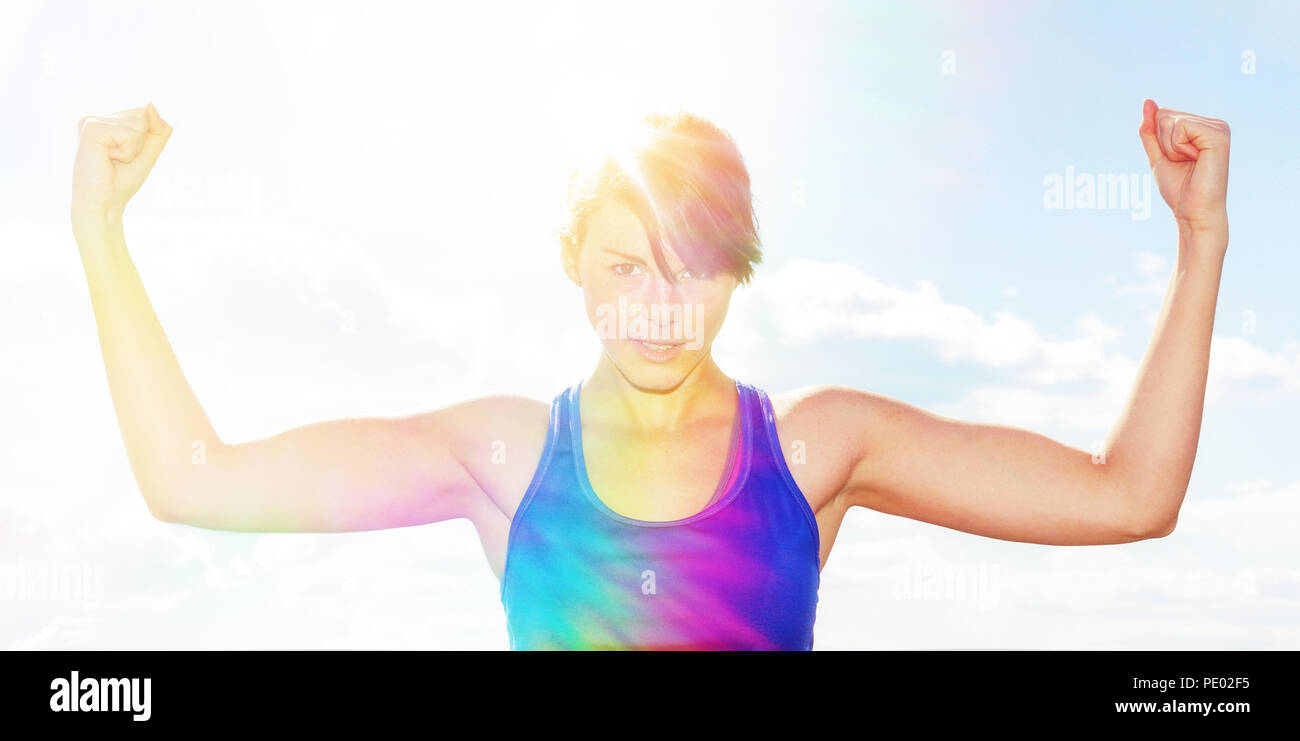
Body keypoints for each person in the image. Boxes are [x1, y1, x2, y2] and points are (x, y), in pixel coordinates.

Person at [69, 99, 1231, 649]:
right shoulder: (508, 459)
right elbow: (193, 479)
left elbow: (1127, 497)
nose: (660, 310)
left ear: (741, 271)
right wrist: (101, 237)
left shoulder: (817, 449)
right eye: (626, 264)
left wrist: (1199, 242)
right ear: (571, 262)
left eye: (696, 270)